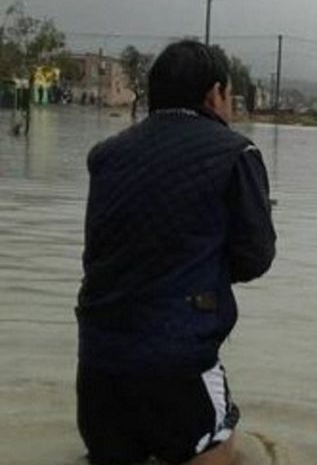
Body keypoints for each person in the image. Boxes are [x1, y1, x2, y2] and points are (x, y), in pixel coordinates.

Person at [75, 40, 277, 465]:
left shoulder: (106, 155)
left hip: (97, 361)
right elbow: (255, 256)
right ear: (214, 94)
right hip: (179, 357)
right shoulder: (236, 153)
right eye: (229, 94)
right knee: (222, 453)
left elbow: (103, 248)